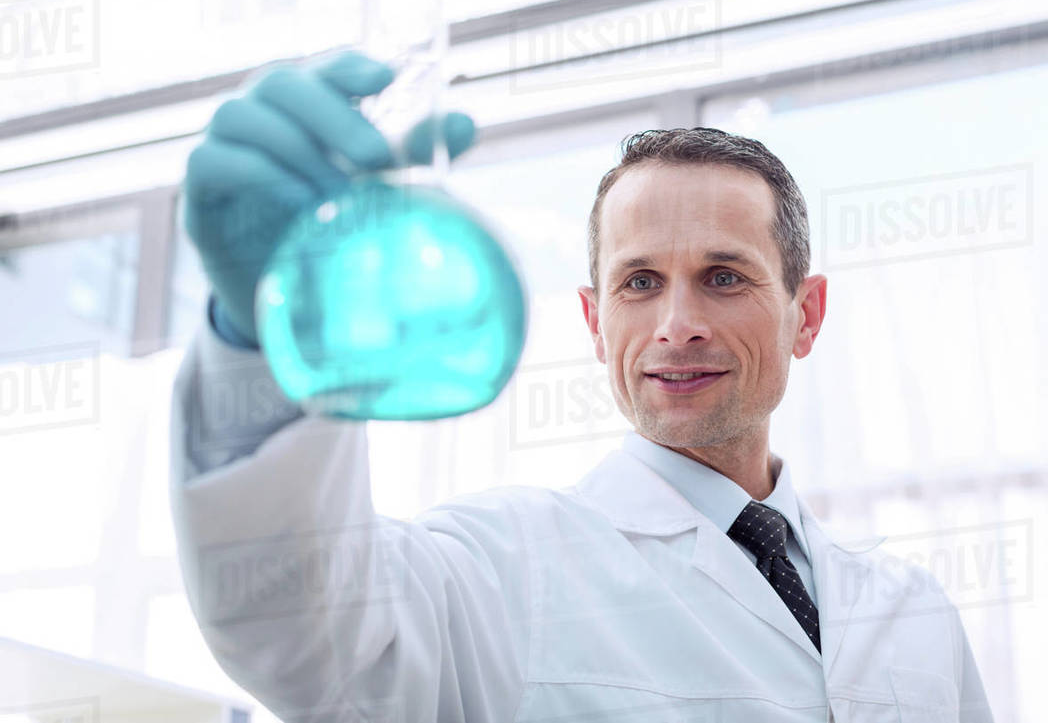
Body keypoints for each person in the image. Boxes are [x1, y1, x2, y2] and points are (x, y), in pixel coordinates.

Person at [170, 51, 995, 722]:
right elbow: (303, 632)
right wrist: (260, 347)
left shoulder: (910, 610)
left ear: (805, 314)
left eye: (722, 276)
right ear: (596, 323)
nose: (676, 323)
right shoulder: (503, 569)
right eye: (639, 283)